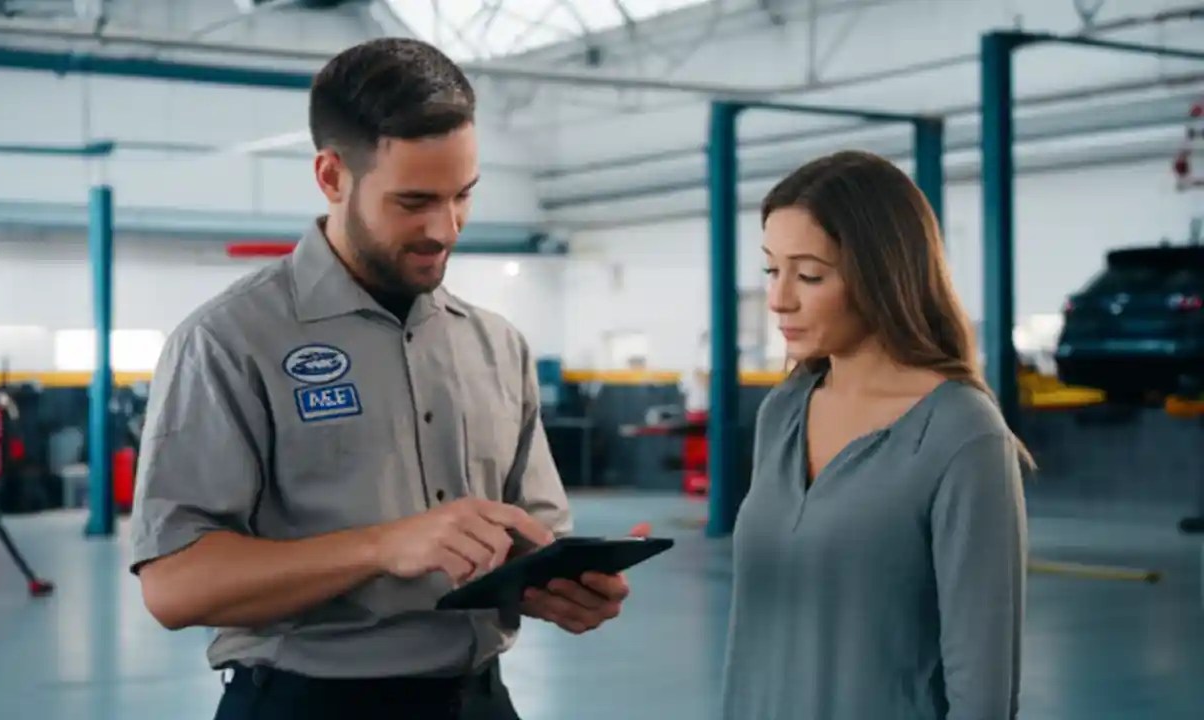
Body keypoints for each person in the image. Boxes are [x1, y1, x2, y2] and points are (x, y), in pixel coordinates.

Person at [129, 38, 639, 720]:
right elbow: (175, 586)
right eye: (414, 201)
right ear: (332, 176)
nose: (445, 229)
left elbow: (534, 534)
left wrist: (560, 585)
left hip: (481, 701)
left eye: (464, 196)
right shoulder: (228, 342)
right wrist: (383, 545)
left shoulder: (495, 345)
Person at [720, 150, 1030, 720]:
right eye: (771, 269)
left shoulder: (962, 434)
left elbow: (983, 689)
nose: (778, 298)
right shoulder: (784, 410)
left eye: (809, 274)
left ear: (882, 276)